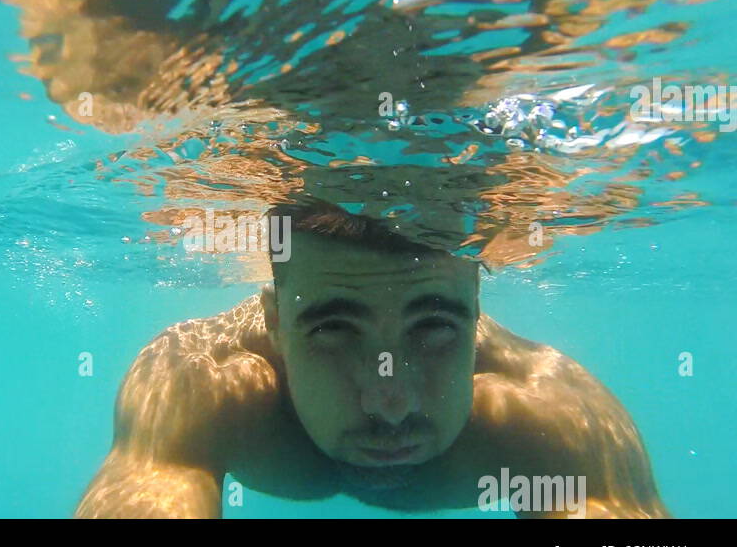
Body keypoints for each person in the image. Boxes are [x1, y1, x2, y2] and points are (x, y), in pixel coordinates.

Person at [75, 200, 670, 518]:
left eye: (433, 328)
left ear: (476, 310)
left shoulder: (549, 416)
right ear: (277, 323)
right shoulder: (205, 382)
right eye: (334, 330)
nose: (390, 401)